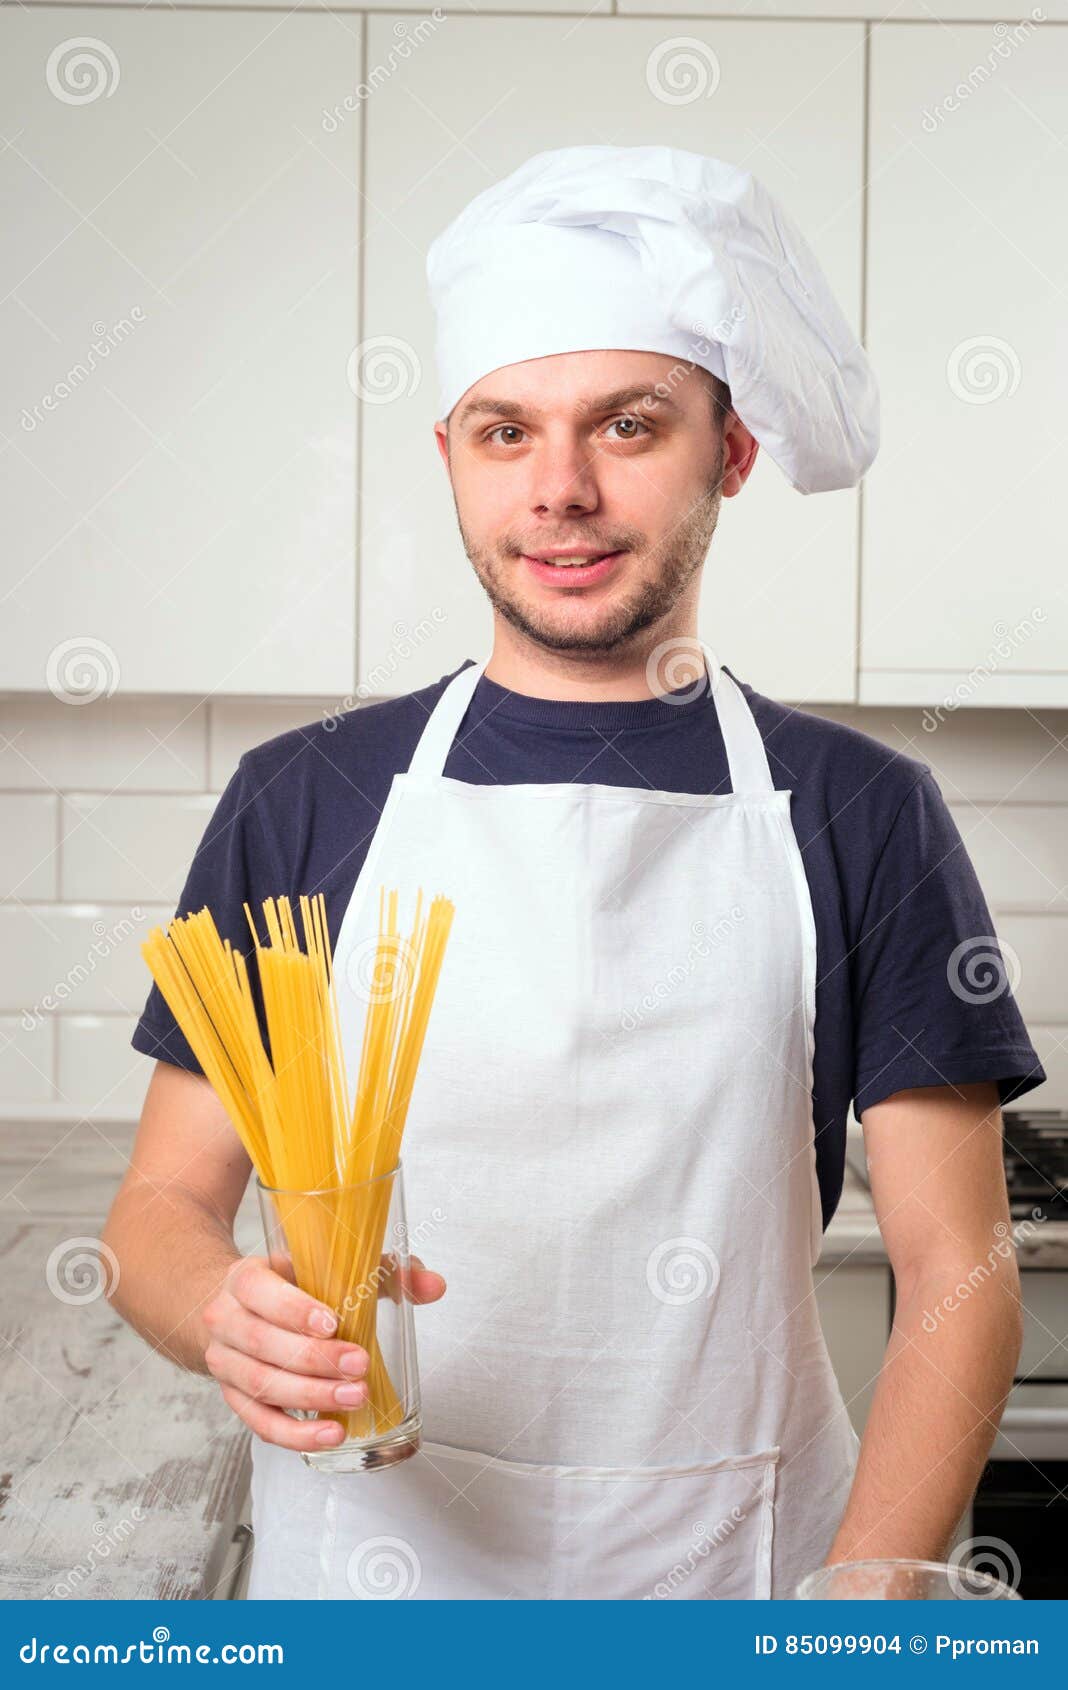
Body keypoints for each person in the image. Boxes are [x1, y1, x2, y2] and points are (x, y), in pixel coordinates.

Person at [103, 146, 1044, 1600]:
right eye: (505, 432)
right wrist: (218, 1305)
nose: (562, 489)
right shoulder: (304, 801)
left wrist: (870, 1594)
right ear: (450, 459)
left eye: (629, 424)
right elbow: (159, 1209)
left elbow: (959, 1275)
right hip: (370, 1580)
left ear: (728, 455)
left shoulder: (862, 813)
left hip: (741, 1578)